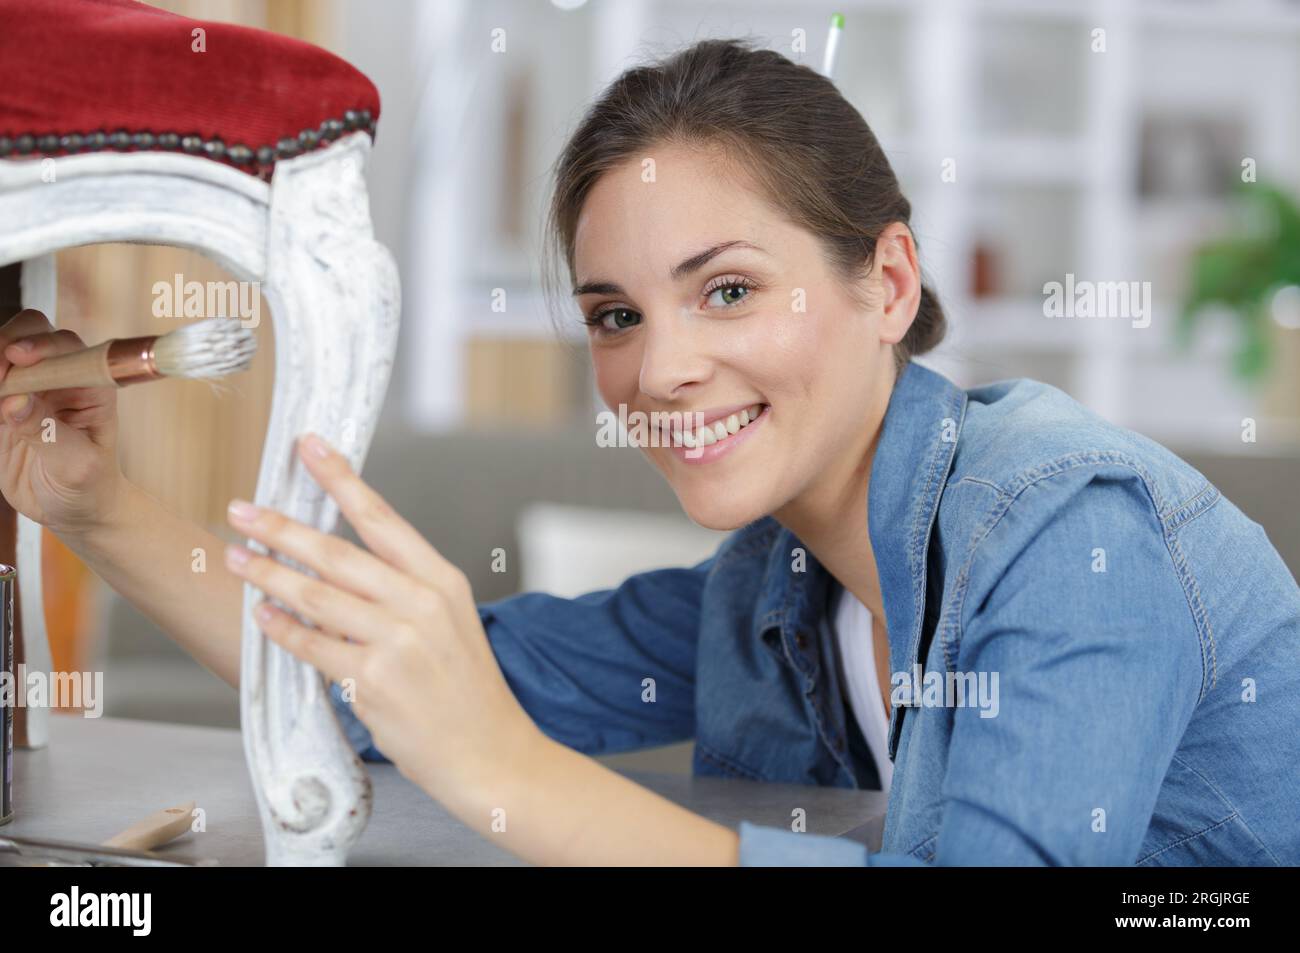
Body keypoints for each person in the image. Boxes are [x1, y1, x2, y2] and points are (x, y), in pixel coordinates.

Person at [2, 39, 1297, 866]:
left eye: (727, 290)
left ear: (888, 282)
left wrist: (510, 772)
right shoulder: (767, 589)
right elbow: (362, 687)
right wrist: (92, 501)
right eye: (616, 314)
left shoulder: (1077, 535)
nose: (659, 368)